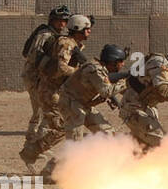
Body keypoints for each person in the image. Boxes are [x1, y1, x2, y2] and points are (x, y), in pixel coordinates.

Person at [29, 44, 128, 182]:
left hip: (83, 104)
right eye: (120, 62)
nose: (122, 65)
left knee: (108, 134)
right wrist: (127, 81)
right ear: (112, 61)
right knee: (75, 145)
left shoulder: (101, 70)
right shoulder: (95, 69)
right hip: (72, 104)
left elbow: (107, 85)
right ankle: (49, 172)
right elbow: (106, 91)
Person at [19, 13, 91, 173]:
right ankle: (31, 152)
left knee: (59, 125)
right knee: (61, 127)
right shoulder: (66, 44)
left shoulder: (74, 44)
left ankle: (33, 151)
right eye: (86, 29)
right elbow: (61, 68)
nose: (89, 32)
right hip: (50, 92)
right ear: (77, 29)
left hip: (58, 91)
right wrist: (81, 73)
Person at [19, 5, 71, 150]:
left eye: (65, 21)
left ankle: (31, 142)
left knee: (39, 112)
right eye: (59, 21)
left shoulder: (54, 35)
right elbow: (33, 56)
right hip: (35, 77)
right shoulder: (45, 35)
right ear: (52, 21)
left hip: (38, 77)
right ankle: (34, 146)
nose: (62, 24)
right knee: (44, 111)